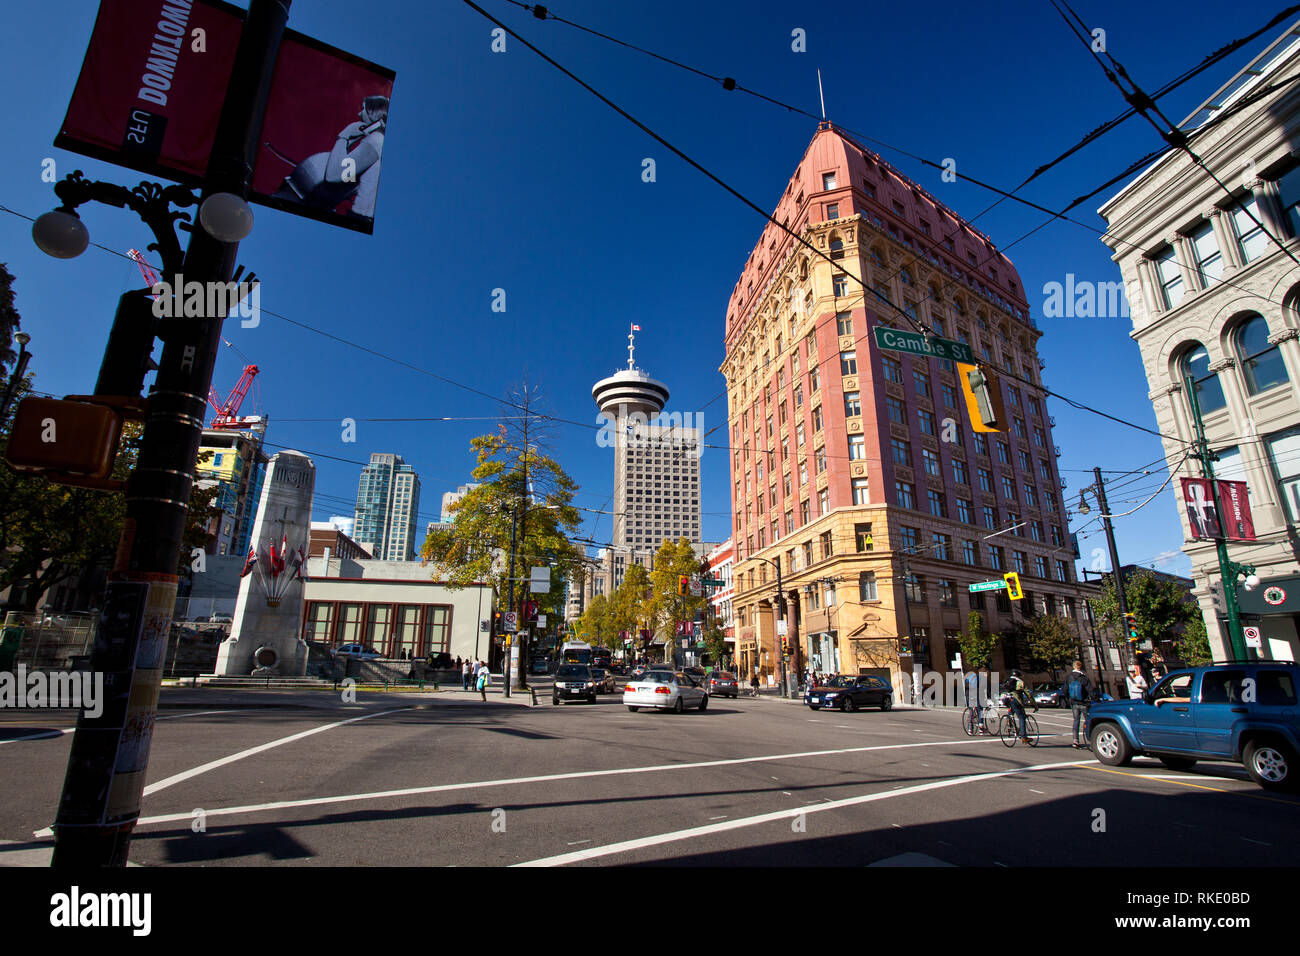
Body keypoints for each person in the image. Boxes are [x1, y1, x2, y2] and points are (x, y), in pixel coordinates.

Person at [1064, 660, 1095, 749]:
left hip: (1074, 703)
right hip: (1084, 702)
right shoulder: (1084, 678)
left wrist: (1068, 699)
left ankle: (1075, 741)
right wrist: (1095, 699)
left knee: (1076, 721)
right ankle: (1092, 740)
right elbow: (1090, 690)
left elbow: (1065, 690)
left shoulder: (1069, 677)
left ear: (1074, 667)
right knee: (1088, 721)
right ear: (1080, 667)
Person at [1004, 669, 1033, 741]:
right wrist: (1034, 704)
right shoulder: (1020, 682)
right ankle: (1024, 737)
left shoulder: (1008, 680)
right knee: (1022, 717)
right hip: (1015, 699)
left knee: (1012, 709)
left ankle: (1009, 722)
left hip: (1006, 699)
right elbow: (1028, 694)